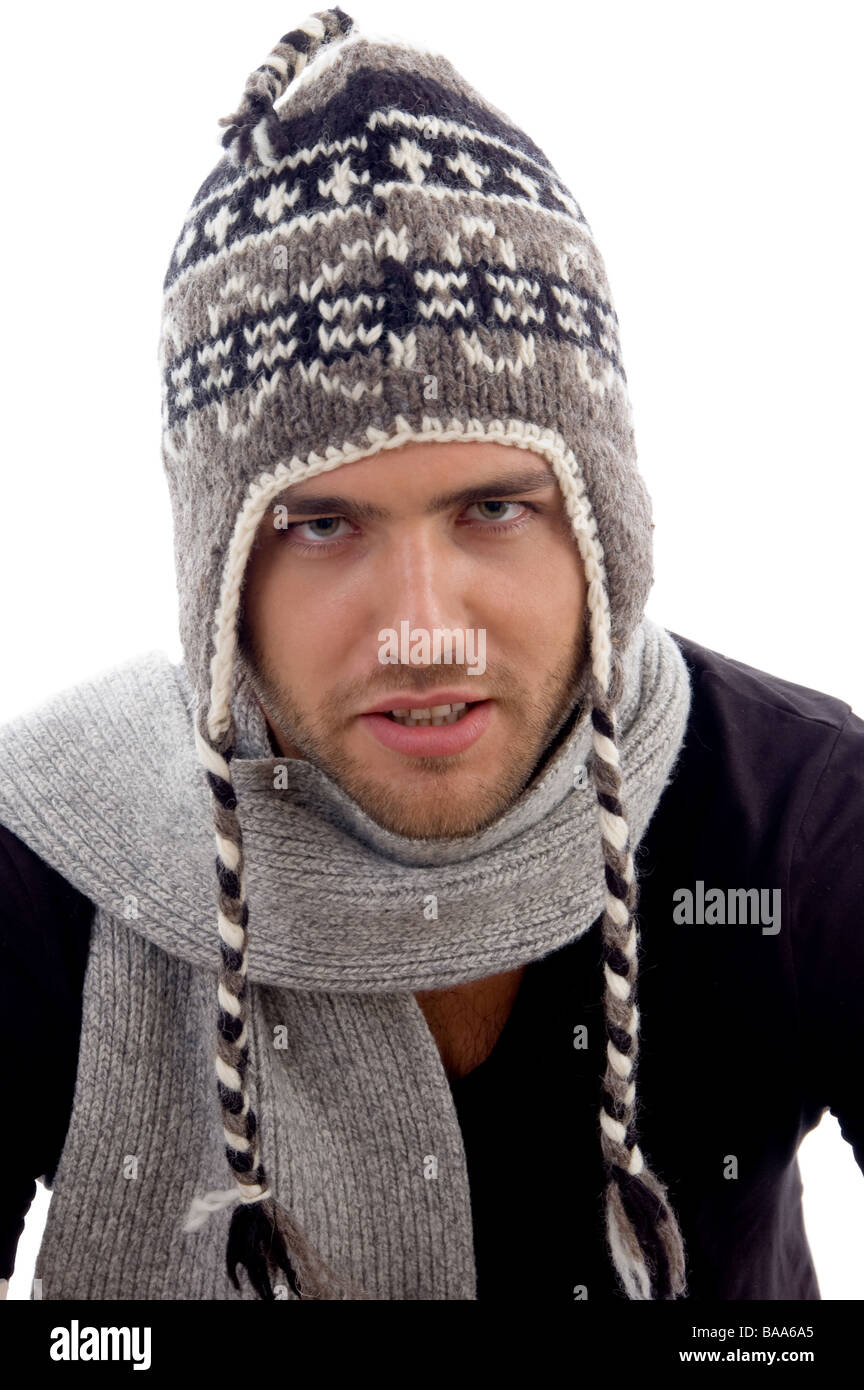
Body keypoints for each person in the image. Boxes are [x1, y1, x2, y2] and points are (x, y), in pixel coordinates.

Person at [0, 7, 861, 1303]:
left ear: (602, 529)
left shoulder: (798, 819)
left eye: (493, 508)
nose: (421, 622)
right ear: (218, 573)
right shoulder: (47, 859)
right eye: (324, 521)